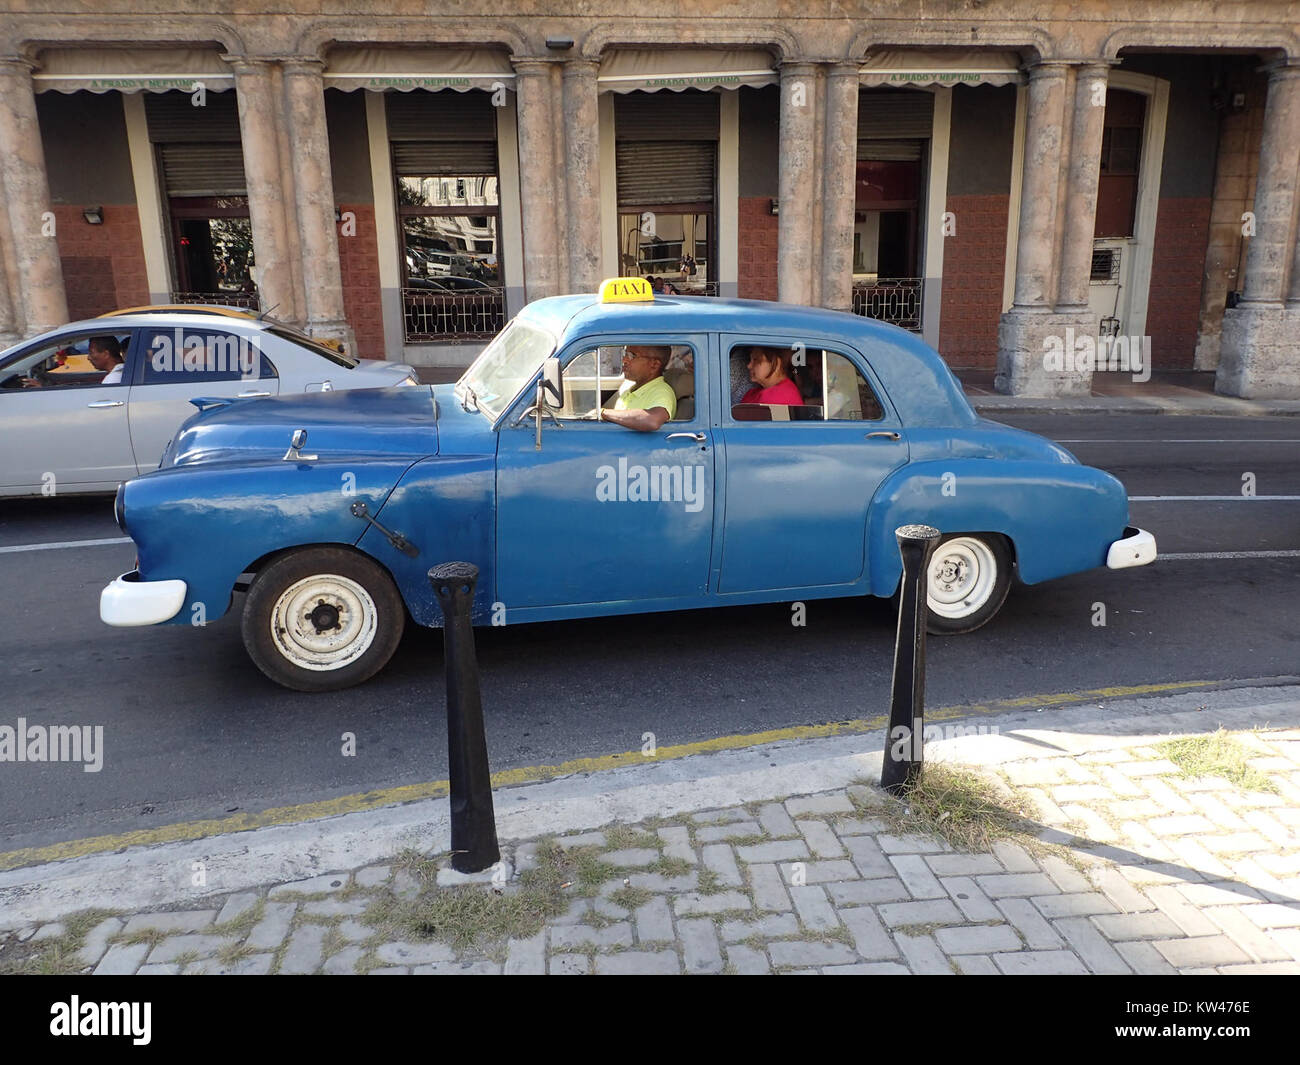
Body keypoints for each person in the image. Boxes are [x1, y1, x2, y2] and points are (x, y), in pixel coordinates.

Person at [598, 344, 676, 431]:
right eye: (625, 354)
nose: (624, 360)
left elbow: (652, 420)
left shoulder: (662, 392)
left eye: (632, 356)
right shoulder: (630, 389)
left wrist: (602, 412)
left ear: (654, 365)